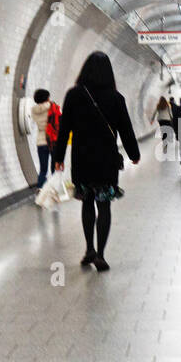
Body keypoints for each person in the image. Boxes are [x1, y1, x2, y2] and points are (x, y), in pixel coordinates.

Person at [52, 52, 140, 272]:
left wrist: (58, 157)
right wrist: (133, 153)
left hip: (82, 159)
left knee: (87, 202)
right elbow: (126, 130)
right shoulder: (116, 98)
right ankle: (100, 254)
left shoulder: (73, 95)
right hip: (106, 160)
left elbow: (64, 130)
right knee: (104, 205)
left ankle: (89, 249)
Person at [30, 88, 59, 188]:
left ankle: (41, 189)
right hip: (53, 140)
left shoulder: (34, 110)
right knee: (54, 168)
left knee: (43, 169)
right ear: (46, 98)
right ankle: (54, 189)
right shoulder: (53, 107)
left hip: (41, 142)